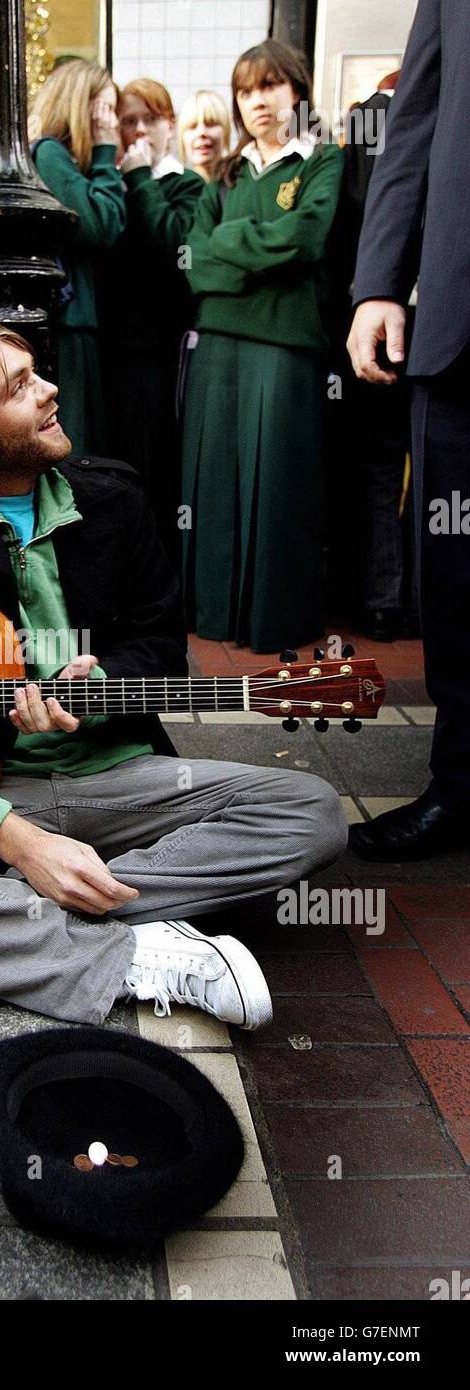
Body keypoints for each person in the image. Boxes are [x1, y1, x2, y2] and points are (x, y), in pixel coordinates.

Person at [0, 321, 347, 1028]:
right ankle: (122, 956)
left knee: (311, 811)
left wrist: (104, 680)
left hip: (118, 780)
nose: (50, 391)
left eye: (35, 372)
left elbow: (158, 645)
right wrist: (19, 840)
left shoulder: (111, 497)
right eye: (19, 387)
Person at [347, 0, 470, 861]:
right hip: (461, 328)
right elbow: (415, 126)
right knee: (456, 576)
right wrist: (378, 282)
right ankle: (461, 786)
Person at [180, 40, 344, 653]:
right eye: (247, 90)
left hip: (287, 348)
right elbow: (194, 263)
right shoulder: (222, 174)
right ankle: (215, 616)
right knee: (215, 484)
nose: (258, 101)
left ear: (297, 91)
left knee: (278, 486)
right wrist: (253, 250)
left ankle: (275, 621)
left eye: (271, 86)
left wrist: (231, 241)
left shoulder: (322, 161)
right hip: (216, 349)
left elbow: (306, 238)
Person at [103, 78, 203, 555]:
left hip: (155, 356)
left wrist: (142, 179)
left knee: (151, 471)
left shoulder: (186, 184)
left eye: (150, 119)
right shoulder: (108, 181)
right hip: (110, 352)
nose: (139, 130)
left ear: (169, 124)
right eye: (128, 120)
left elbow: (177, 245)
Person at [336, 69, 416, 643]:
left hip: (380, 312)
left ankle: (383, 599)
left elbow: (362, 206)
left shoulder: (366, 122)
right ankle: (402, 595)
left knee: (381, 464)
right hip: (425, 312)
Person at [29, 59, 126, 456]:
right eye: (104, 108)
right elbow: (101, 223)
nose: (112, 122)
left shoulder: (63, 159)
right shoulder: (51, 153)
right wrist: (105, 153)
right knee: (76, 446)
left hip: (77, 322)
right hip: (68, 324)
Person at [177, 89, 231, 183]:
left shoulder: (240, 187)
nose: (202, 132)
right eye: (192, 126)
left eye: (210, 124)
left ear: (226, 131)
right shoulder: (173, 191)